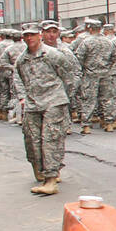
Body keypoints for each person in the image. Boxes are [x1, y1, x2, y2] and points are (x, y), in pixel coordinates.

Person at [14, 23, 77, 196]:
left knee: (50, 138)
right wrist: (22, 98)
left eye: (32, 35)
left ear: (39, 35)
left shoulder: (53, 55)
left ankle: (51, 179)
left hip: (53, 102)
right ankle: (41, 171)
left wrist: (63, 98)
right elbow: (17, 78)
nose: (29, 38)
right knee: (32, 140)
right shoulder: (22, 59)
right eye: (26, 35)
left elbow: (69, 76)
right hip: (33, 104)